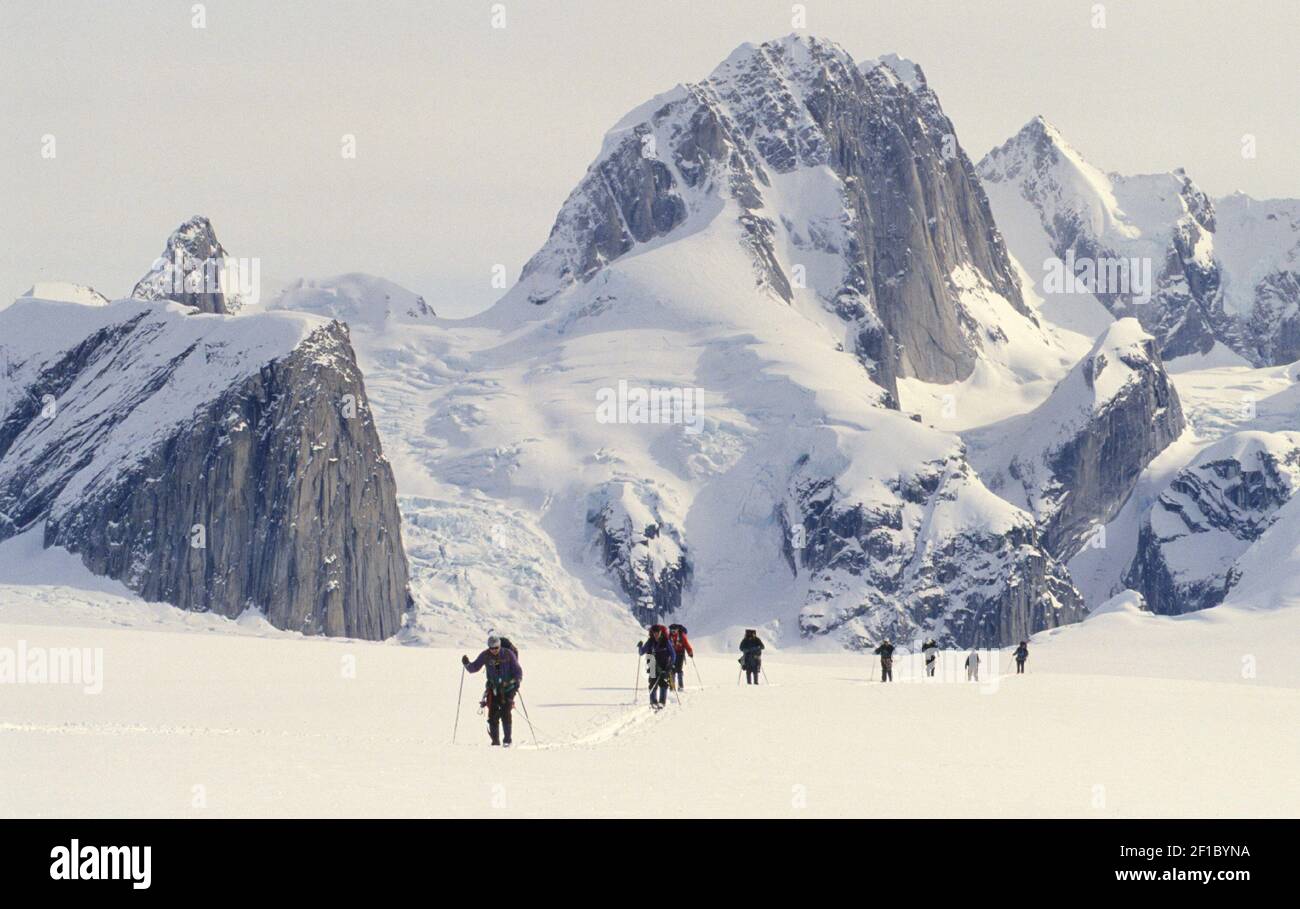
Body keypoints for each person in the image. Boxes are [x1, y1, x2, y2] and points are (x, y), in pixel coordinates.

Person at [462, 634, 523, 747]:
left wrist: (516, 682)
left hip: (508, 688)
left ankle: (507, 741)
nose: (494, 650)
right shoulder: (485, 655)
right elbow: (474, 668)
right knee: (493, 715)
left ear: (500, 646)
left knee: (506, 712)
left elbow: (517, 670)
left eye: (496, 648)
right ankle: (495, 742)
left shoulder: (508, 654)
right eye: (491, 648)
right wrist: (466, 664)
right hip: (493, 689)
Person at [638, 624, 677, 709]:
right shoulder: (650, 642)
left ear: (660, 632)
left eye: (657, 633)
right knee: (652, 683)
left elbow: (673, 655)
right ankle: (653, 701)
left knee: (663, 684)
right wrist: (640, 647)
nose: (656, 634)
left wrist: (670, 666)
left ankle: (662, 702)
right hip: (652, 664)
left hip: (664, 665)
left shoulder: (666, 641)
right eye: (654, 633)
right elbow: (642, 652)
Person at [667, 623, 693, 690]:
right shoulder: (668, 636)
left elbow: (686, 644)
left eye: (674, 630)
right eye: (672, 630)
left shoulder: (682, 636)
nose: (673, 632)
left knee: (679, 669)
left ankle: (680, 686)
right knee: (671, 670)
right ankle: (671, 686)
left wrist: (690, 652)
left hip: (680, 654)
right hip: (672, 654)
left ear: (677, 630)